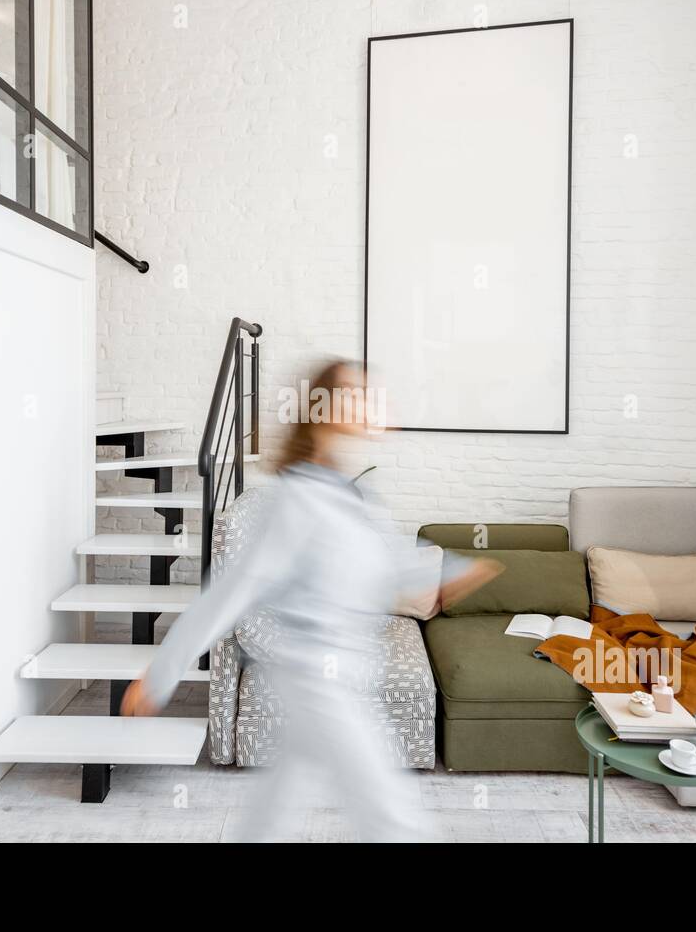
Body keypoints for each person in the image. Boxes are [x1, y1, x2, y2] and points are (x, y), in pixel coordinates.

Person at [121, 359, 500, 841]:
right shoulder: (295, 500)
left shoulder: (347, 491)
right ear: (329, 408)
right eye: (359, 395)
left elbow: (380, 565)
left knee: (272, 811)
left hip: (338, 676)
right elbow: (229, 595)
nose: (371, 404)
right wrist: (161, 673)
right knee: (393, 819)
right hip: (317, 681)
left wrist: (457, 572)